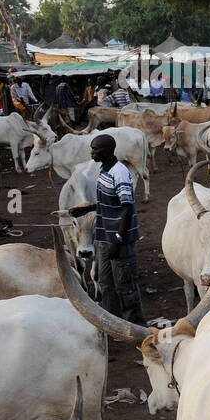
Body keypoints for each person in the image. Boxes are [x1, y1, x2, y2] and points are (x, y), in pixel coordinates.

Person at [65, 135, 146, 325]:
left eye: (96, 150)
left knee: (125, 285)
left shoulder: (120, 173)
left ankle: (136, 327)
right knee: (105, 283)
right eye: (92, 149)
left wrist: (118, 239)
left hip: (119, 238)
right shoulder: (104, 170)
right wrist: (86, 209)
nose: (92, 153)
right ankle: (112, 324)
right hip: (103, 235)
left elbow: (127, 208)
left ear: (109, 151)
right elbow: (109, 202)